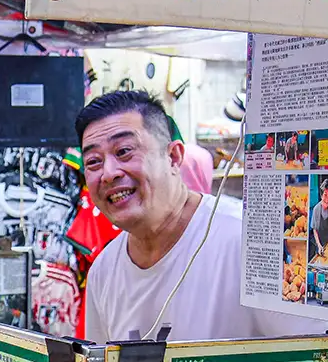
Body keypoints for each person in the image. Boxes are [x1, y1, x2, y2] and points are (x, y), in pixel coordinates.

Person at [80, 90, 305, 343]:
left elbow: (320, 359)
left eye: (124, 151)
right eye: (93, 162)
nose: (108, 173)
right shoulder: (104, 270)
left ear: (173, 157)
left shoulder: (247, 242)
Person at [309, 179, 328, 263]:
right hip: (318, 242)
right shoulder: (316, 209)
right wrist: (319, 245)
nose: (327, 198)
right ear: (322, 195)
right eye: (325, 195)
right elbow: (315, 230)